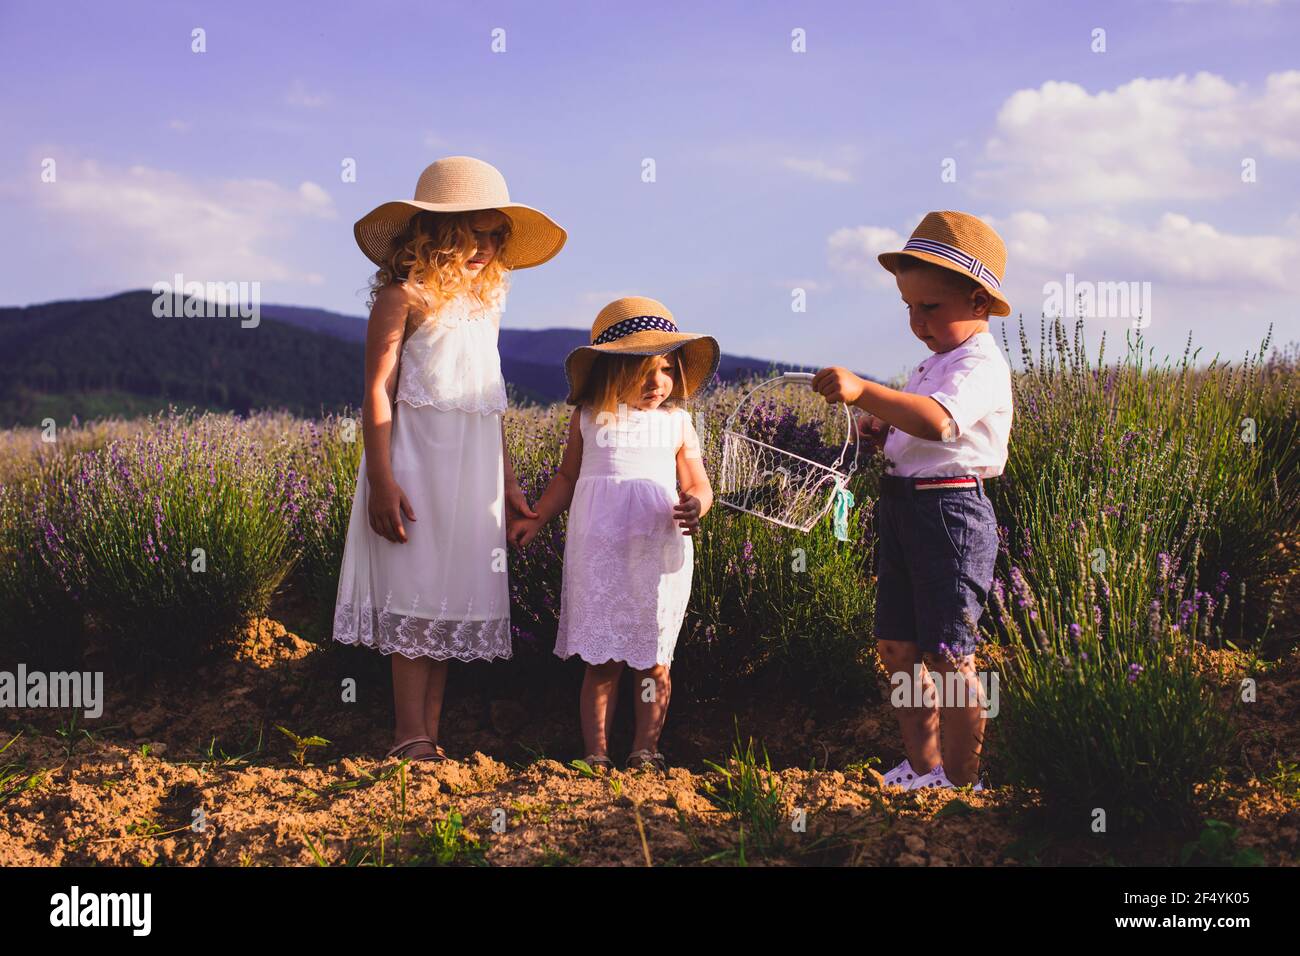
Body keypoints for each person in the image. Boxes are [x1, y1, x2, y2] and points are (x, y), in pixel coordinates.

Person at [333, 156, 566, 765]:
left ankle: (427, 739)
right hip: (412, 466)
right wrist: (381, 479)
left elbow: (490, 406)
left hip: (473, 473)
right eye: (476, 233)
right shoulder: (401, 296)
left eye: (496, 236)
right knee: (414, 593)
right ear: (437, 233)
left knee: (444, 600)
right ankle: (408, 736)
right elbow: (377, 391)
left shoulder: (486, 309)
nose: (487, 247)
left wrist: (509, 482)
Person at [812, 210, 1014, 791]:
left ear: (978, 302)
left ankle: (961, 784)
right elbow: (917, 426)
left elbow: (940, 423)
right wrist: (885, 431)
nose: (917, 321)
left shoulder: (979, 362)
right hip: (905, 508)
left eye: (930, 308)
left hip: (950, 515)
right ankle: (924, 769)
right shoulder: (935, 363)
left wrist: (866, 391)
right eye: (908, 307)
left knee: (950, 656)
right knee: (897, 647)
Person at [507, 296, 718, 773]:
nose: (656, 382)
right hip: (598, 549)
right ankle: (595, 753)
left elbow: (698, 482)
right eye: (642, 369)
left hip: (657, 545)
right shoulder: (588, 418)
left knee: (653, 655)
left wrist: (696, 505)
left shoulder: (677, 423)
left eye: (665, 369)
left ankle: (646, 749)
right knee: (601, 659)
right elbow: (566, 478)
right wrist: (538, 518)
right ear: (609, 370)